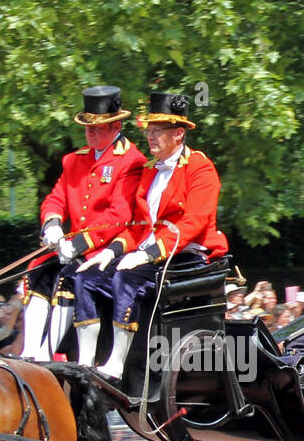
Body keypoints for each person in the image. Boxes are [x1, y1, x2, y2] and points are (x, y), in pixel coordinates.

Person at [73, 91, 228, 383]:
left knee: (126, 278)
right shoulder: (148, 171)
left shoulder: (200, 168)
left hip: (186, 257)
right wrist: (113, 250)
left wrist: (146, 254)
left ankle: (117, 364)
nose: (150, 137)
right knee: (87, 278)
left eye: (157, 132)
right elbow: (138, 225)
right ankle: (85, 363)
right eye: (148, 131)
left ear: (178, 133)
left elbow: (192, 223)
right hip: (150, 255)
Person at [21, 85, 145, 360]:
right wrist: (52, 224)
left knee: (67, 280)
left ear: (116, 126)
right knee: (36, 274)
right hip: (74, 250)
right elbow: (55, 199)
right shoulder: (73, 161)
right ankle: (29, 352)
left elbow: (119, 217)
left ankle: (46, 353)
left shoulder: (131, 161)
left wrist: (78, 244)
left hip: (108, 251)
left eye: (98, 127)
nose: (90, 132)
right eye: (87, 126)